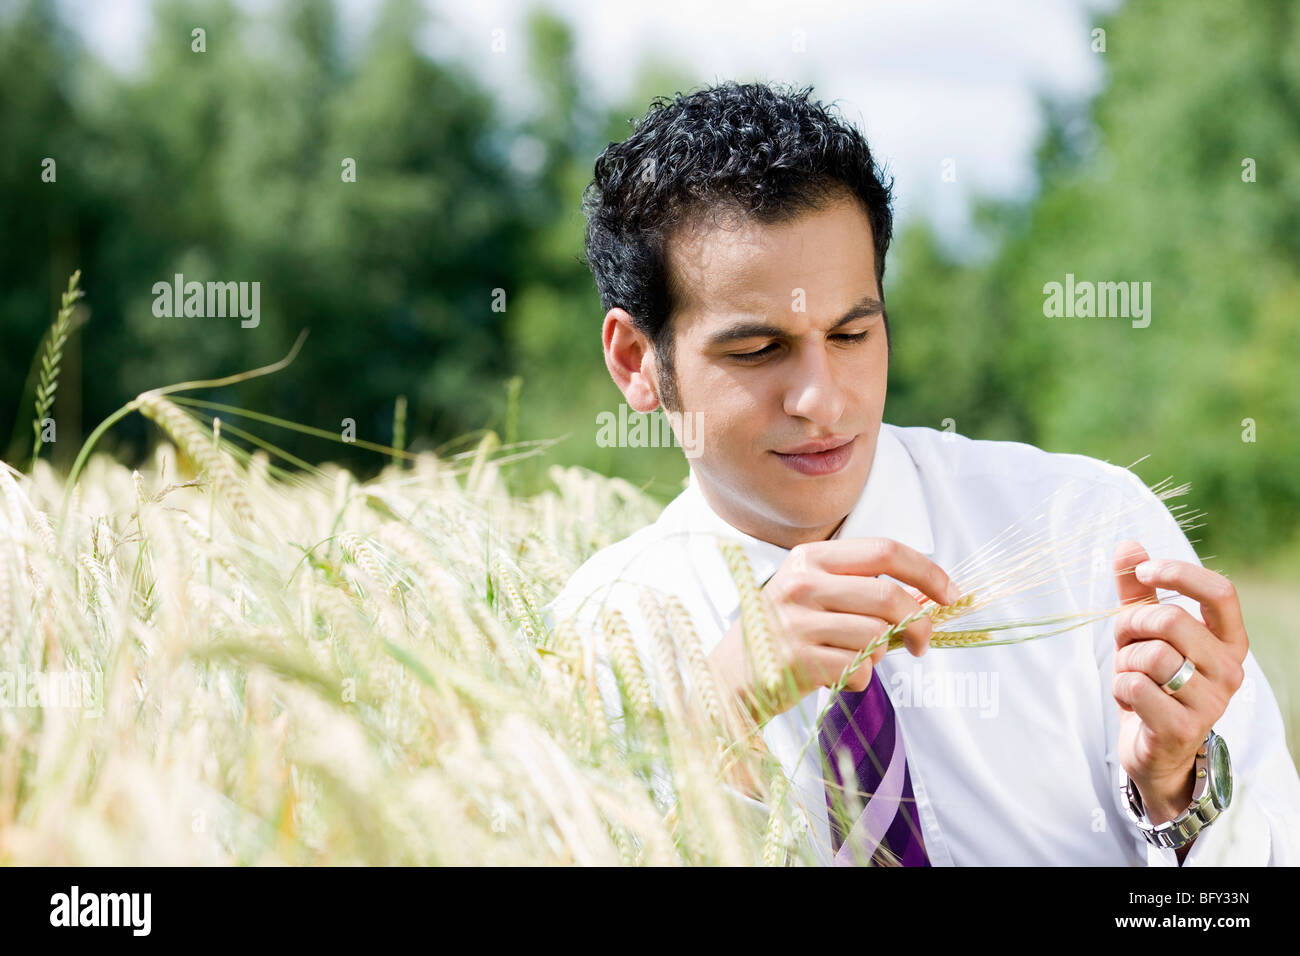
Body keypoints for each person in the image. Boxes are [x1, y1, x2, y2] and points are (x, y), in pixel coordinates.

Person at [542, 80, 1300, 866]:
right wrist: (715, 710)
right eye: (756, 350)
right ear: (637, 362)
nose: (821, 398)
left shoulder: (1086, 534)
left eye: (851, 334)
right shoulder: (597, 635)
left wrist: (1179, 790)